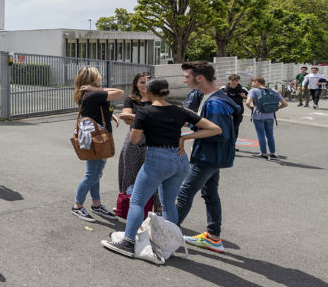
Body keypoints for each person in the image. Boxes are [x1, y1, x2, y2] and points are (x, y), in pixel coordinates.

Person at [102, 78, 222, 258]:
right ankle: (169, 244)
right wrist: (185, 138)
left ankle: (127, 242)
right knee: (168, 204)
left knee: (137, 201)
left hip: (156, 160)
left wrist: (140, 123)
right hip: (179, 161)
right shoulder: (180, 110)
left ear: (148, 93)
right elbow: (214, 128)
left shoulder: (144, 111)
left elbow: (135, 140)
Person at [176, 61, 239, 253]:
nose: (184, 80)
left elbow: (218, 132)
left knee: (185, 193)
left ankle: (164, 236)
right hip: (213, 156)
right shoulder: (213, 97)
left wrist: (186, 136)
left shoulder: (215, 102)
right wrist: (194, 125)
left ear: (200, 78)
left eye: (187, 76)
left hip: (208, 157)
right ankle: (213, 236)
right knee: (209, 193)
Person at [70, 66, 124, 222]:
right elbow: (120, 92)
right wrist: (96, 89)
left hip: (94, 137)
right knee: (92, 174)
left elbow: (96, 109)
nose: (101, 76)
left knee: (96, 173)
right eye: (98, 75)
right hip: (97, 139)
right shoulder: (93, 94)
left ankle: (96, 204)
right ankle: (77, 206)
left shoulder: (90, 94)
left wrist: (110, 115)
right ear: (92, 80)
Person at [116, 71, 155, 218]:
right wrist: (152, 118)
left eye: (147, 82)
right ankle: (127, 205)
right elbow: (125, 117)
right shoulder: (131, 99)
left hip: (152, 140)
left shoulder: (156, 99)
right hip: (133, 140)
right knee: (129, 172)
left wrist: (138, 118)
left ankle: (152, 208)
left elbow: (131, 117)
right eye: (141, 82)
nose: (144, 85)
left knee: (151, 175)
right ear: (136, 84)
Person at [245, 76, 288, 160]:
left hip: (258, 115)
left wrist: (252, 108)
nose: (252, 84)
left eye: (252, 82)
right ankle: (273, 153)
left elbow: (247, 102)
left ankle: (263, 153)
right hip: (270, 116)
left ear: (257, 82)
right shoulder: (273, 91)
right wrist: (275, 109)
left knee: (261, 134)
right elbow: (285, 104)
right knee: (270, 135)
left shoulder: (253, 91)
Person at [221, 74, 249, 149]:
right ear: (229, 80)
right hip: (226, 111)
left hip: (238, 111)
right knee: (225, 127)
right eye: (233, 80)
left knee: (235, 128)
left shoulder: (243, 89)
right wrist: (223, 96)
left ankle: (233, 144)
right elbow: (215, 98)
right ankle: (225, 143)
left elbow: (251, 98)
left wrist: (245, 97)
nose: (234, 82)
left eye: (236, 81)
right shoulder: (223, 89)